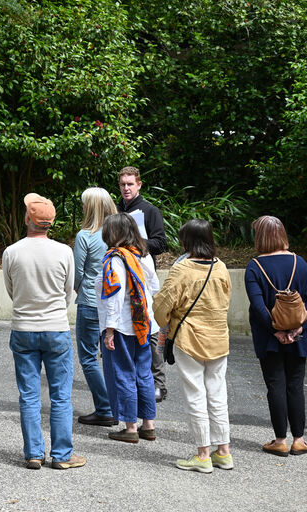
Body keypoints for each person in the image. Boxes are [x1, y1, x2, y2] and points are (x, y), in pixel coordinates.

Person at [2, 193, 85, 471]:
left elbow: (11, 291)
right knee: (60, 395)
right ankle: (62, 455)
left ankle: (34, 453)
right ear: (51, 223)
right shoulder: (64, 252)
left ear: (28, 219)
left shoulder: (12, 252)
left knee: (28, 394)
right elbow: (68, 291)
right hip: (55, 327)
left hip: (23, 327)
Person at [153, 219, 233, 473]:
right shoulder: (221, 267)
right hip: (219, 339)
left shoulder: (182, 269)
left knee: (196, 395)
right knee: (218, 395)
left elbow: (162, 306)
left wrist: (165, 321)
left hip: (189, 340)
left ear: (187, 241)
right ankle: (224, 453)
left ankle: (202, 455)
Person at [245, 215, 307, 457]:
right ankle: (299, 439)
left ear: (261, 237)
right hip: (299, 336)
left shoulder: (254, 267)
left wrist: (276, 330)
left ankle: (280, 440)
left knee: (275, 385)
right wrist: (299, 328)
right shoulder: (300, 263)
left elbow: (258, 307)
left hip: (269, 338)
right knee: (295, 385)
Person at [95, 213, 157, 445]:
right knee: (144, 373)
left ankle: (130, 427)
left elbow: (114, 295)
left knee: (123, 373)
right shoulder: (143, 255)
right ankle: (148, 425)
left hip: (122, 325)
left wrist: (109, 330)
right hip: (144, 325)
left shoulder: (115, 258)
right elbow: (154, 287)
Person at [116, 166, 168, 402]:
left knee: (152, 329)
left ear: (139, 185)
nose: (126, 188)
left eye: (130, 184)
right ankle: (134, 378)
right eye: (122, 184)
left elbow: (161, 244)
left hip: (144, 278)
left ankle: (158, 383)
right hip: (120, 276)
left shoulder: (149, 210)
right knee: (126, 328)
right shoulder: (116, 210)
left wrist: (136, 241)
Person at [74, 187, 118, 427]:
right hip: (115, 303)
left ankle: (104, 407)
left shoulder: (85, 235)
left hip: (90, 301)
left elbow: (77, 273)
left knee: (89, 358)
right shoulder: (120, 234)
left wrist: (77, 289)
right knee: (113, 357)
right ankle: (122, 407)